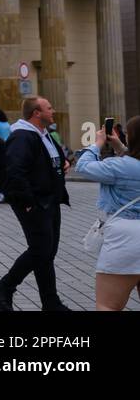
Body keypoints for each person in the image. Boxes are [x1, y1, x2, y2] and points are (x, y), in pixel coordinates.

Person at [0, 96, 72, 312]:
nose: (53, 111)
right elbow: (15, 172)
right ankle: (5, 285)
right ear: (37, 113)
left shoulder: (43, 134)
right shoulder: (22, 136)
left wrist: (62, 163)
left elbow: (52, 159)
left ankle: (50, 302)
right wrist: (28, 203)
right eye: (49, 107)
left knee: (47, 252)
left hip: (50, 200)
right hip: (35, 203)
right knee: (41, 250)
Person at [74, 116, 140, 310]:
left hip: (125, 239)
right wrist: (120, 147)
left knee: (108, 306)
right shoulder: (124, 164)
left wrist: (97, 144)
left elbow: (83, 167)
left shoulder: (117, 166)